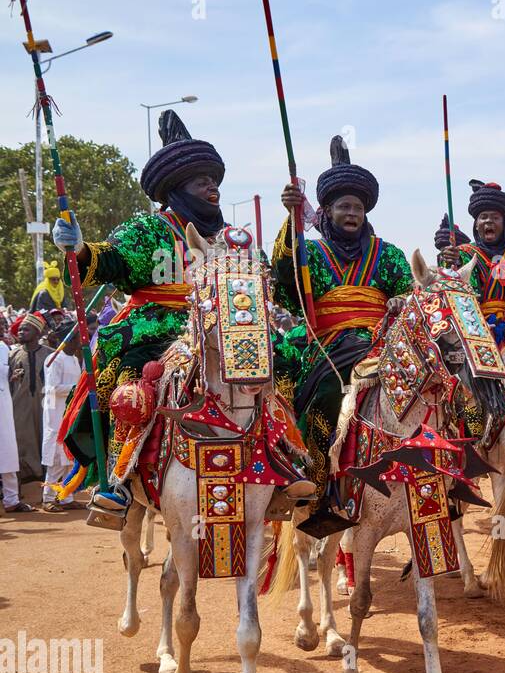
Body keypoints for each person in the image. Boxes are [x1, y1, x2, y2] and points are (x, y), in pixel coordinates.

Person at [53, 110, 312, 521]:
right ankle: (119, 478)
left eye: (214, 180)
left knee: (281, 364)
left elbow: (272, 280)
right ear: (175, 190)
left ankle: (284, 462)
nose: (212, 187)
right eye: (201, 181)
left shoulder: (232, 238)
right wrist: (79, 247)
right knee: (129, 377)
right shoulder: (148, 231)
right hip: (157, 327)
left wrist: (293, 226)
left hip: (223, 330)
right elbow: (110, 261)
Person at [274, 135, 413, 505]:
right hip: (329, 345)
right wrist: (291, 219)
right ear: (327, 212)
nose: (352, 214)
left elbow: (410, 290)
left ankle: (440, 470)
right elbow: (286, 279)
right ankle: (317, 483)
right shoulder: (313, 254)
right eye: (344, 207)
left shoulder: (388, 254)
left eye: (358, 208)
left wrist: (402, 299)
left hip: (383, 340)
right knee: (325, 396)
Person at [438, 180, 505, 338]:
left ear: (504, 224)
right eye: (483, 217)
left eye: (495, 218)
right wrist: (452, 262)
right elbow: (449, 289)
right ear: (476, 225)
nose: (489, 221)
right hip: (473, 325)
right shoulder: (462, 254)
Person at [40, 323, 83, 511]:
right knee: (56, 460)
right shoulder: (54, 359)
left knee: (69, 457)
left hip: (70, 414)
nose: (80, 342)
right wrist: (77, 389)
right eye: (76, 338)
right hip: (56, 414)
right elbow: (52, 388)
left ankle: (65, 497)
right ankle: (47, 498)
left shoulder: (74, 359)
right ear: (68, 340)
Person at [7, 311, 50, 485]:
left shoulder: (50, 354)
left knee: (43, 434)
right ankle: (26, 473)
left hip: (45, 402)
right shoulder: (13, 354)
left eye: (26, 330)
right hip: (20, 403)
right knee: (23, 436)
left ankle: (44, 472)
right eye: (20, 330)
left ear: (37, 333)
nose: (21, 333)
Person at [0, 333, 24, 513]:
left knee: (7, 452)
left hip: (3, 406)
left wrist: (12, 376)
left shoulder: (3, 348)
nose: (2, 329)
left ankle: (11, 500)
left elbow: (4, 376)